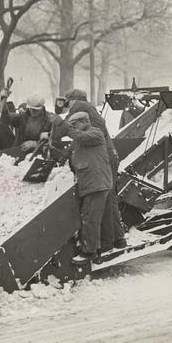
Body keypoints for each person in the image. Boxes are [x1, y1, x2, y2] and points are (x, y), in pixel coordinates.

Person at [53, 88, 126, 251]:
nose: (67, 106)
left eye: (68, 102)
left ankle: (105, 243)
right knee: (109, 199)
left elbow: (68, 127)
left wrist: (56, 124)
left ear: (73, 100)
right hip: (108, 155)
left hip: (101, 159)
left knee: (101, 202)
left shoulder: (80, 106)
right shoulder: (90, 109)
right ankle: (118, 239)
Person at [65, 111, 115, 264]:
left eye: (75, 125)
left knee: (90, 219)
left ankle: (89, 252)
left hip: (96, 183)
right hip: (90, 183)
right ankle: (96, 250)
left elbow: (81, 137)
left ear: (84, 121)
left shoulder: (95, 133)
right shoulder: (79, 140)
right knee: (90, 217)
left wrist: (65, 128)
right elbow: (66, 153)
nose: (74, 129)